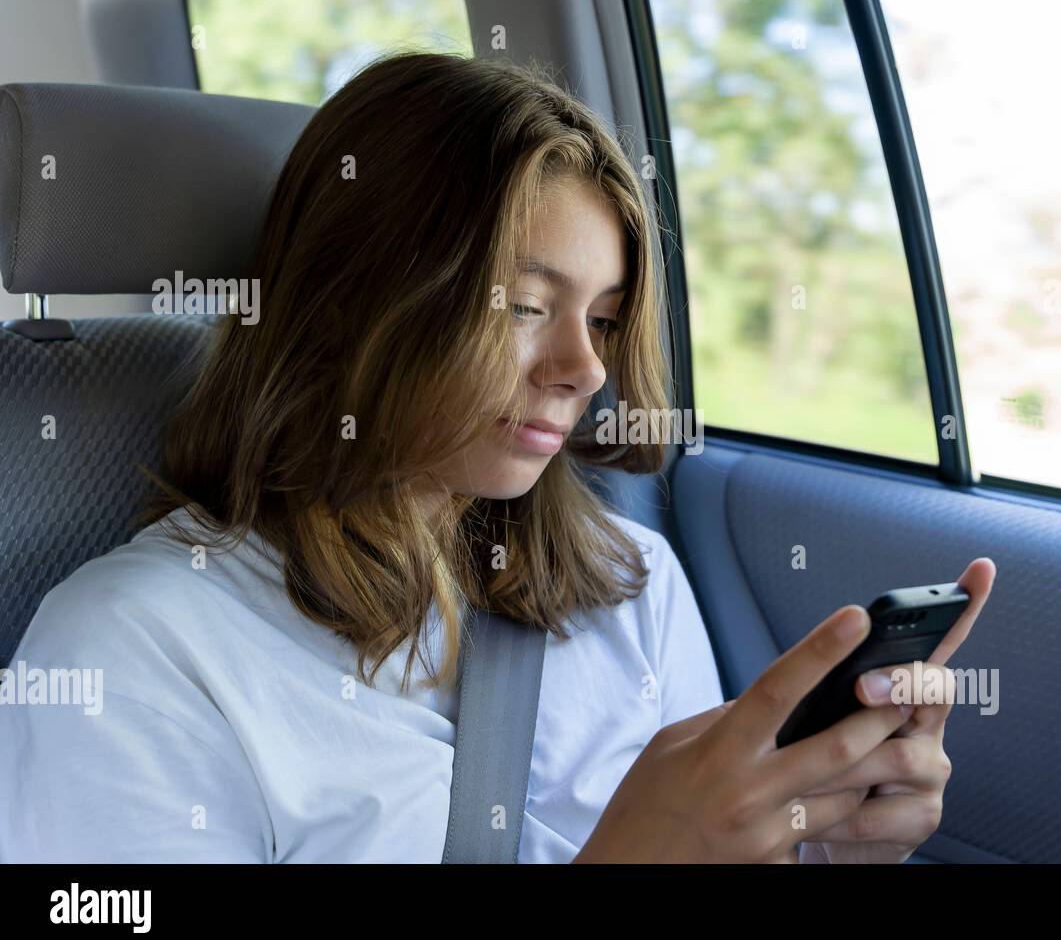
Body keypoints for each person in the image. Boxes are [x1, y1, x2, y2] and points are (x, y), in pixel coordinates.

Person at [0, 51, 995, 863]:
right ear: (356, 298)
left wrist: (827, 844)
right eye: (522, 307)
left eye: (603, 318)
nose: (584, 369)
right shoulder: (133, 649)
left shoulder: (629, 580)